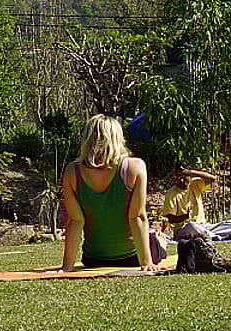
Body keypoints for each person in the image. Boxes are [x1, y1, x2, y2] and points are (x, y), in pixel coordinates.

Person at [59, 114, 165, 272]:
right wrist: (146, 262)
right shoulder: (135, 167)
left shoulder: (71, 172)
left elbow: (75, 221)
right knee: (158, 240)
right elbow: (137, 217)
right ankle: (160, 239)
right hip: (132, 258)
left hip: (92, 259)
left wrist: (67, 267)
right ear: (119, 138)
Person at [161, 167, 231, 241]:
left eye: (184, 177)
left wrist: (191, 171)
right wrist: (185, 217)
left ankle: (210, 235)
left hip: (203, 226)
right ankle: (217, 237)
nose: (181, 180)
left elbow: (213, 179)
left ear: (190, 176)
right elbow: (170, 219)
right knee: (192, 226)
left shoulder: (195, 184)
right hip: (183, 229)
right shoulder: (171, 194)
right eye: (179, 178)